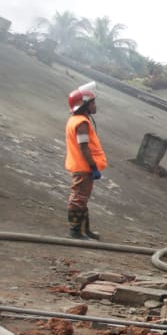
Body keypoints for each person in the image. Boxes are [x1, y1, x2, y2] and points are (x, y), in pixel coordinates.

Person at [65, 82, 107, 240]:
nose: (95, 106)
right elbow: (84, 148)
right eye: (93, 103)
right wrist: (93, 167)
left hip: (81, 166)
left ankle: (85, 230)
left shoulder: (77, 120)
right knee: (78, 199)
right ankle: (75, 232)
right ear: (84, 105)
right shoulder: (81, 123)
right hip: (83, 167)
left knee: (82, 198)